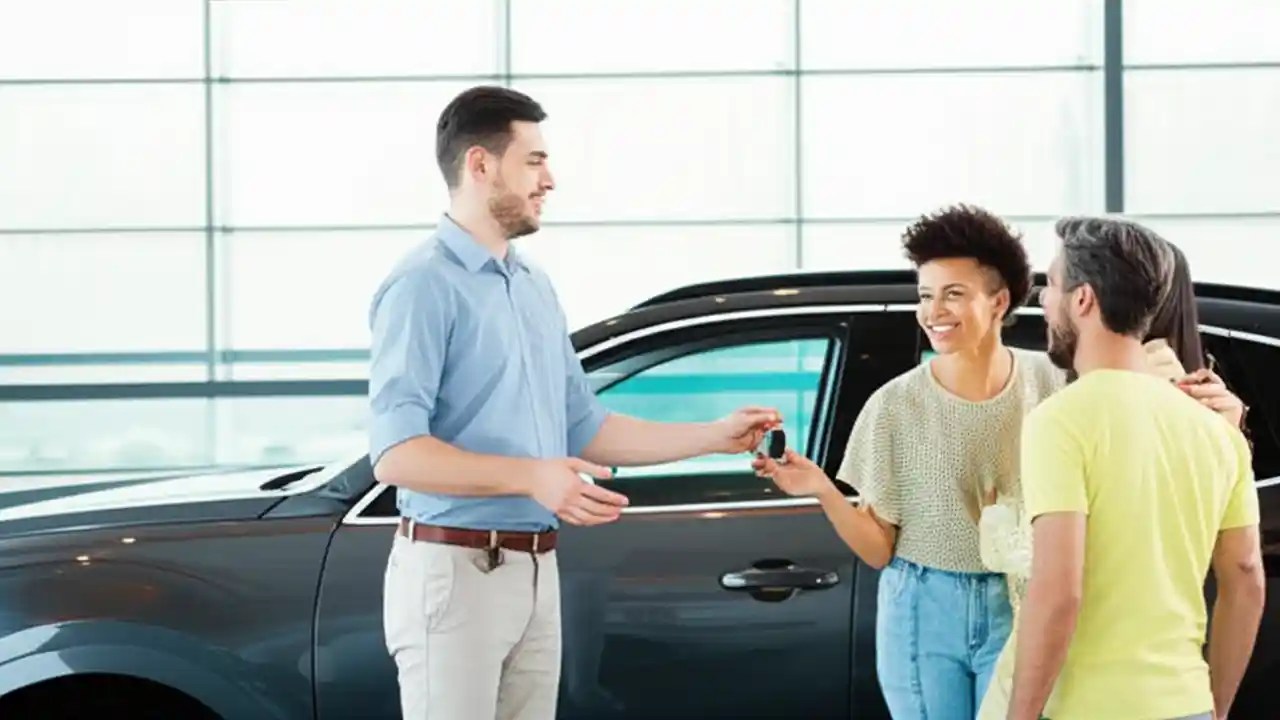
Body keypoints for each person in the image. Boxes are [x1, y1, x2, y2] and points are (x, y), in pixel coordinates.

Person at [367, 85, 780, 720]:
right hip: (452, 574)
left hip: (534, 570)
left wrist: (712, 435)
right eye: (533, 160)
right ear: (480, 165)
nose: (549, 179)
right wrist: (532, 477)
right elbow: (396, 455)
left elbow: (584, 427)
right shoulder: (421, 286)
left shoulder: (532, 286)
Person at [755, 204, 1067, 718]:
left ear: (999, 301)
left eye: (953, 294)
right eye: (925, 295)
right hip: (923, 606)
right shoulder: (895, 406)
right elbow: (880, 550)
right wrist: (823, 489)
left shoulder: (1053, 384)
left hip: (1020, 602)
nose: (933, 311)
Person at [975, 235, 1252, 719]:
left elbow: (1059, 589)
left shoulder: (1061, 421)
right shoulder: (1217, 431)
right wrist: (1216, 707)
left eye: (1052, 285)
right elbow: (1246, 576)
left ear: (1083, 299)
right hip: (1184, 704)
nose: (1043, 299)